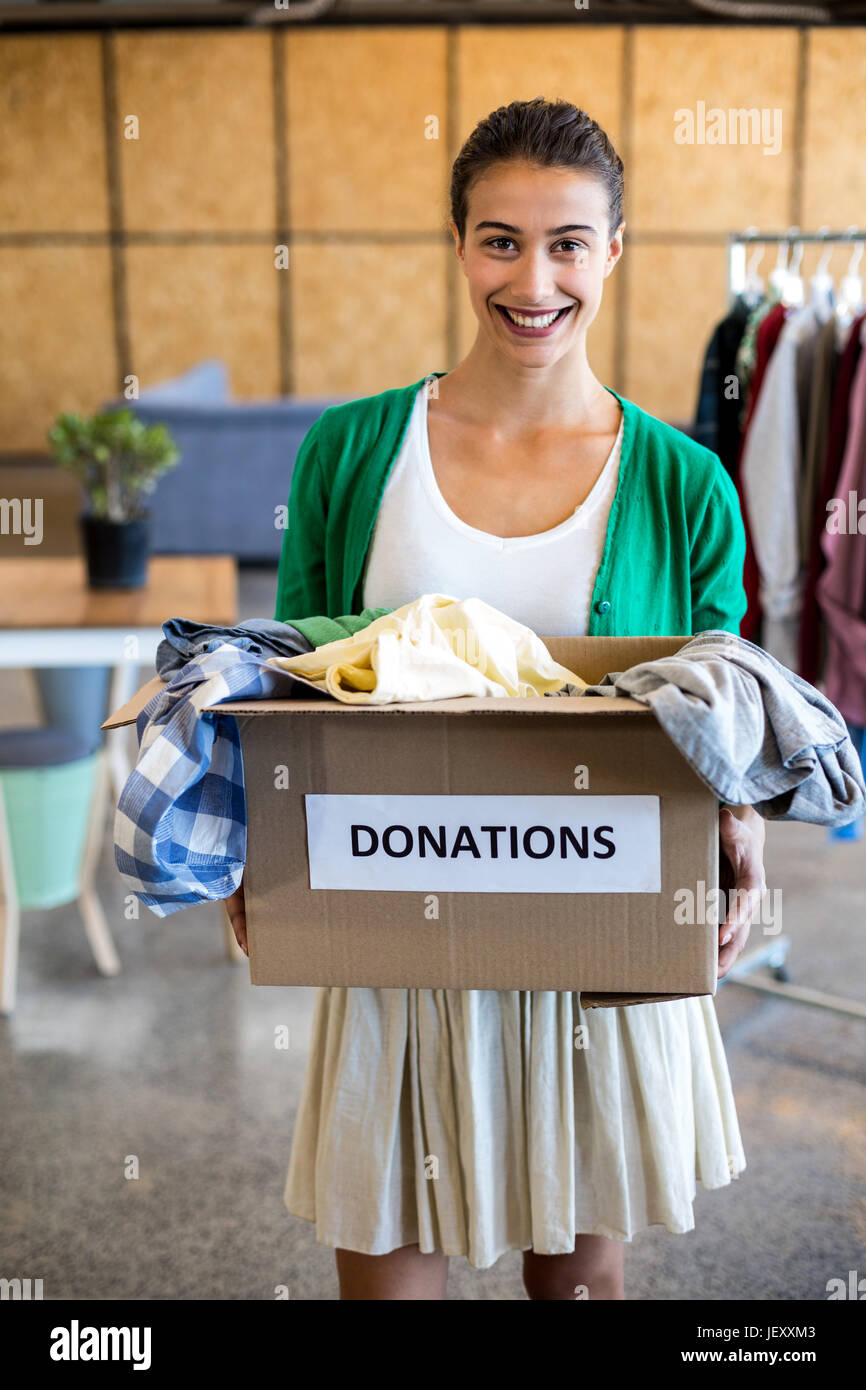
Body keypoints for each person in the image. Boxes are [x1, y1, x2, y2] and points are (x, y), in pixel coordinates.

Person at [224, 96, 767, 1301]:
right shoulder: (353, 451)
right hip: (389, 912)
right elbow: (287, 687)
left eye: (568, 241)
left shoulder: (682, 483)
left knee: (576, 1282)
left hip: (598, 920)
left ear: (613, 251)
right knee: (388, 1286)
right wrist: (254, 857)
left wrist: (737, 839)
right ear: (458, 243)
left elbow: (720, 703)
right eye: (499, 239)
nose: (534, 279)